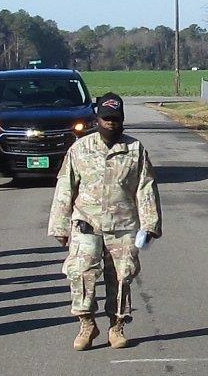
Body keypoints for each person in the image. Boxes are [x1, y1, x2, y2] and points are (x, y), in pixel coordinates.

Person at [48, 93, 162, 351]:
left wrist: (150, 224)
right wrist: (60, 225)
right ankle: (87, 324)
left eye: (116, 119)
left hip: (123, 227)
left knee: (122, 277)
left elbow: (146, 188)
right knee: (81, 273)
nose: (110, 123)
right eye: (106, 118)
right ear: (97, 118)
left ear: (122, 120)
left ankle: (116, 326)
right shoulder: (80, 149)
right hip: (86, 223)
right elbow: (65, 187)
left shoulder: (135, 150)